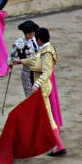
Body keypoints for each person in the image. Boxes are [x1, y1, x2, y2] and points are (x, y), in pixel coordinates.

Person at [12, 27, 66, 156]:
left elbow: (47, 71)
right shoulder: (45, 49)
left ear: (40, 40)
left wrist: (36, 84)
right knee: (42, 115)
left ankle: (59, 146)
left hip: (42, 88)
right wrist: (20, 61)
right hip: (42, 87)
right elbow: (35, 60)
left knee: (48, 117)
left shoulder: (46, 52)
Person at [7, 19, 39, 96]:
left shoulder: (35, 39)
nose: (34, 33)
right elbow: (10, 58)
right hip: (27, 73)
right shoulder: (20, 43)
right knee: (30, 96)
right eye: (32, 32)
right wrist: (11, 63)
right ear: (27, 34)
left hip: (38, 71)